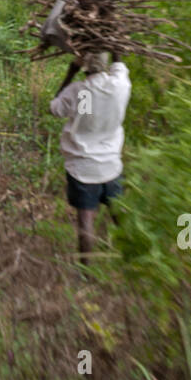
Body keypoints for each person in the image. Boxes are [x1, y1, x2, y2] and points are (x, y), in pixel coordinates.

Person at [49, 50, 131, 265]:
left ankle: (87, 272)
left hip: (83, 167)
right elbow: (119, 64)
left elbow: (55, 108)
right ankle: (134, 256)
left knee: (86, 220)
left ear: (83, 66)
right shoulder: (119, 86)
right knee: (119, 213)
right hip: (111, 164)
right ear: (106, 65)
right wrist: (114, 45)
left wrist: (70, 72)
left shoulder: (79, 92)